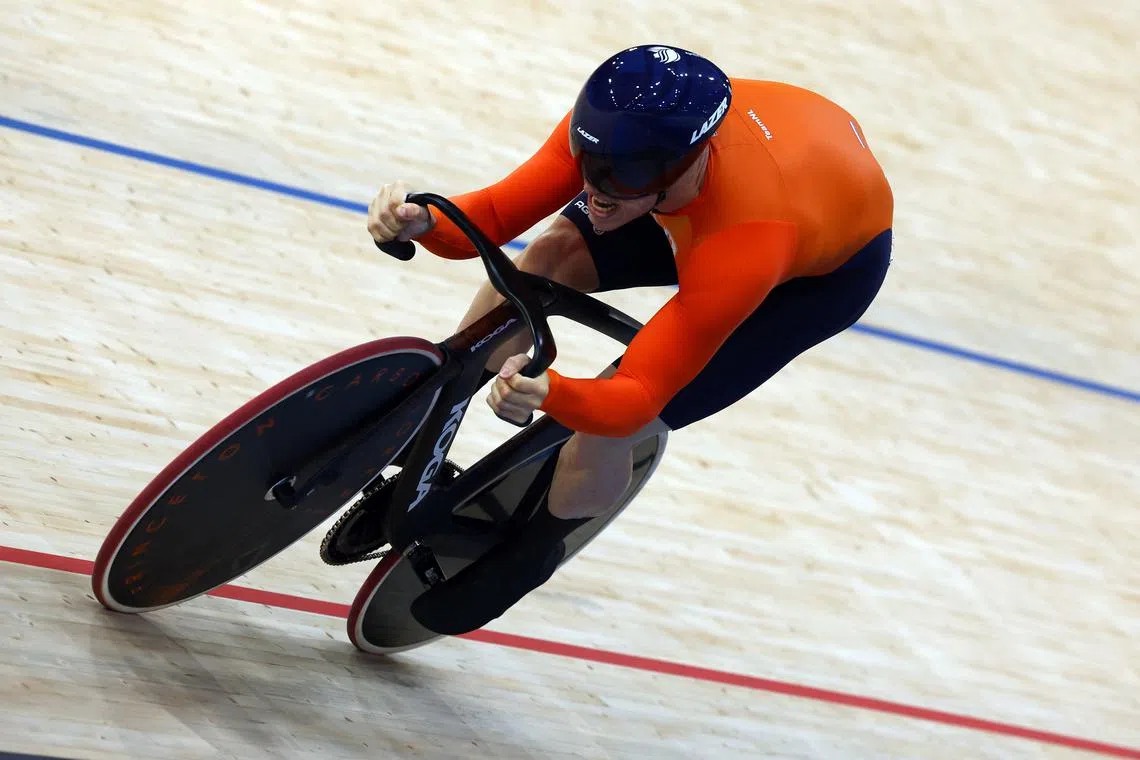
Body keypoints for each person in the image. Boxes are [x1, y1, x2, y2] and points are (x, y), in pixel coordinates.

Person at [367, 44, 894, 635]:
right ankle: (437, 407)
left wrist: (553, 393)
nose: (597, 188)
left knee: (611, 418)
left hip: (809, 273)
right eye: (587, 163)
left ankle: (533, 551)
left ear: (688, 160)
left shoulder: (747, 240)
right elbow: (490, 215)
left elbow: (637, 394)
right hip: (718, 188)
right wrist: (425, 221)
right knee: (547, 255)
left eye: (621, 176)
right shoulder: (619, 141)